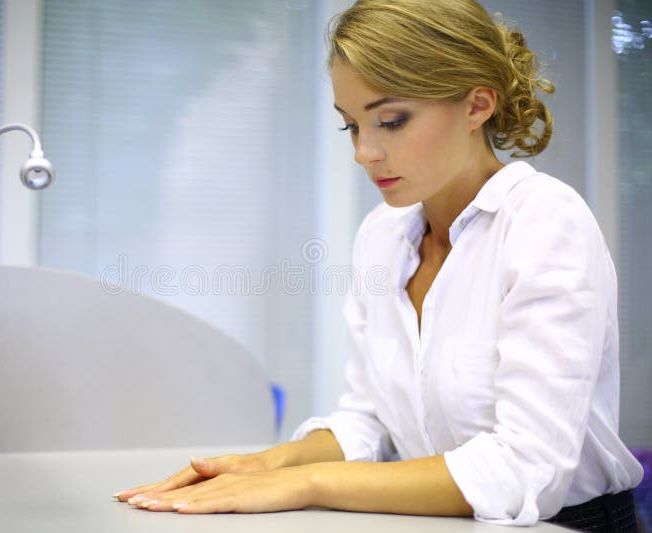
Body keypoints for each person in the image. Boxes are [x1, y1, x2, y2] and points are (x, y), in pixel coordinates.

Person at [114, 0, 644, 529]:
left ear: (478, 105)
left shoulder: (544, 221)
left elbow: (526, 470)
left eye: (390, 121)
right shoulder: (383, 236)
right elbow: (369, 423)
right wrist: (258, 465)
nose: (364, 152)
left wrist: (302, 483)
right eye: (351, 126)